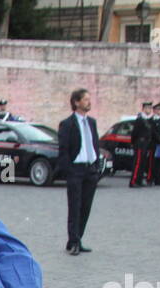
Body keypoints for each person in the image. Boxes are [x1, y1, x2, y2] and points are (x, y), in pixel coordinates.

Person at [57, 89, 101, 256]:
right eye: (85, 99)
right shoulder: (67, 124)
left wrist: (96, 166)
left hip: (90, 170)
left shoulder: (92, 122)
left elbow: (94, 143)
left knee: (86, 208)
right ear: (76, 102)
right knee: (74, 207)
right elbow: (63, 150)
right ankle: (73, 241)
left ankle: (78, 239)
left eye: (89, 99)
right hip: (76, 170)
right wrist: (69, 170)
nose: (89, 102)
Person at [130, 101, 153, 187]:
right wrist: (133, 143)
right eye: (147, 108)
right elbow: (134, 133)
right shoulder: (140, 119)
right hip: (140, 143)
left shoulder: (148, 120)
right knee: (138, 163)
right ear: (143, 109)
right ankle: (133, 181)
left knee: (143, 163)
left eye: (150, 108)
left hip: (146, 143)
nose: (149, 110)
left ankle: (139, 180)